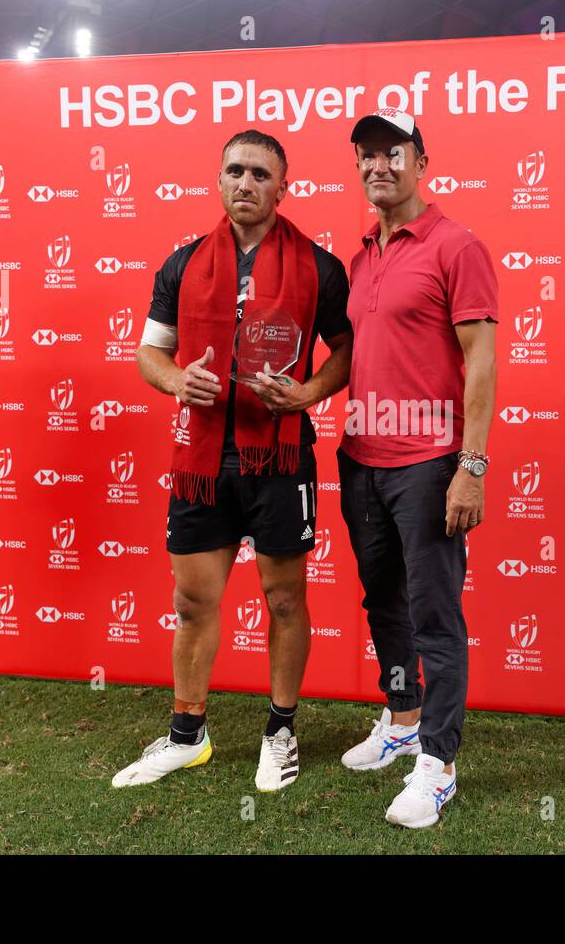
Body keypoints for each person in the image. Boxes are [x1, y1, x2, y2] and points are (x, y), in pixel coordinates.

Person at [114, 130, 353, 793]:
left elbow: (347, 349)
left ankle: (280, 730)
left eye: (260, 173)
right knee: (194, 603)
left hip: (279, 460)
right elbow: (148, 352)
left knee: (283, 601)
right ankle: (188, 735)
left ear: (284, 187)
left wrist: (307, 392)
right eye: (234, 171)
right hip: (202, 458)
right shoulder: (184, 264)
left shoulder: (320, 267)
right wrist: (172, 381)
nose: (245, 182)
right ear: (218, 180)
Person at [336, 109, 498, 828]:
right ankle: (402, 720)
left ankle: (438, 764)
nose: (379, 166)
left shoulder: (457, 245)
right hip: (361, 459)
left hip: (430, 464)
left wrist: (472, 465)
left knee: (435, 616)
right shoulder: (361, 253)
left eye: (392, 153)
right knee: (384, 606)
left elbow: (482, 361)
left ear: (421, 161)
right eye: (367, 155)